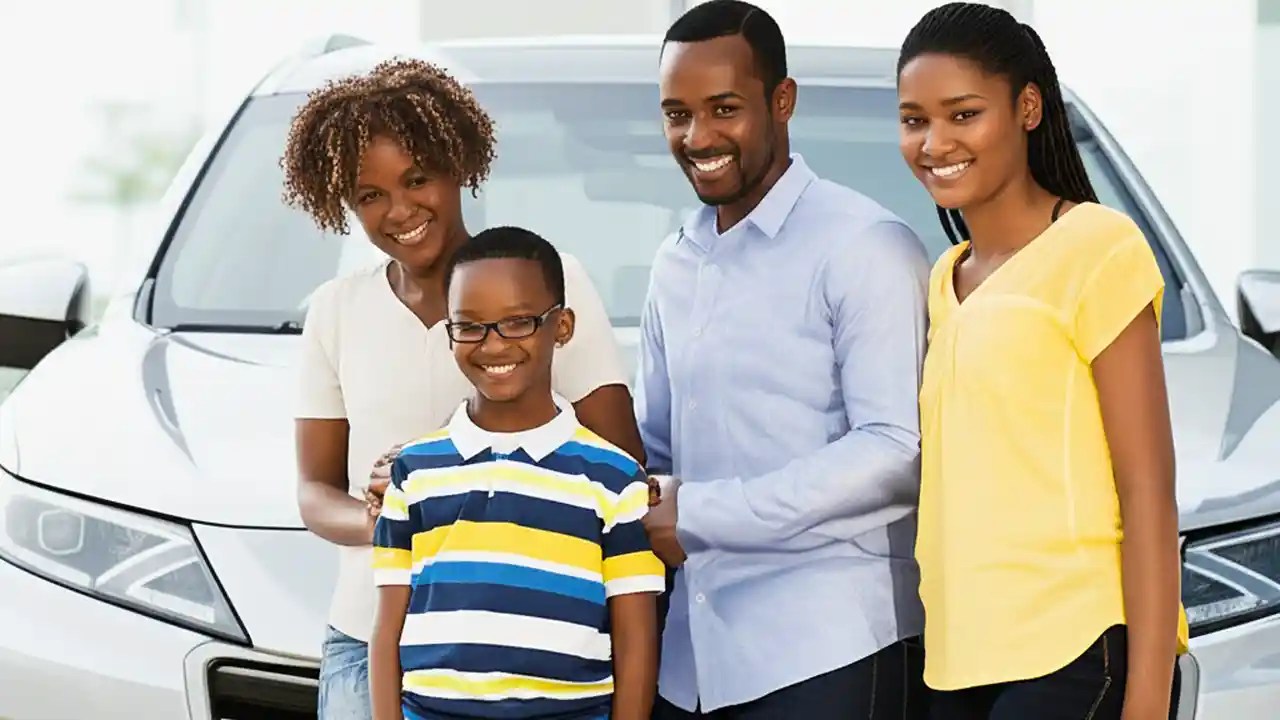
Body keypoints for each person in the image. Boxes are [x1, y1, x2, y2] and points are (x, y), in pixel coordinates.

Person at [282, 59, 646, 719]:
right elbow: (313, 492)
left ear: (459, 166)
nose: (399, 211)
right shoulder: (336, 310)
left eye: (417, 179)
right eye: (369, 196)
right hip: (370, 639)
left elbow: (623, 466)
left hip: (540, 653)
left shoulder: (547, 282)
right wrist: (386, 516)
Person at [637, 2, 933, 717]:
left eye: (724, 108)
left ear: (782, 100)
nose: (697, 136)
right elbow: (654, 448)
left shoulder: (866, 245)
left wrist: (705, 512)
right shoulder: (673, 263)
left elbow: (897, 450)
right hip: (689, 661)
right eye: (677, 113)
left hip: (828, 654)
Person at [895, 4, 1189, 719]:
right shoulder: (945, 277)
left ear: (1027, 107)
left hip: (1074, 646)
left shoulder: (1097, 246)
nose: (935, 143)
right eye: (914, 120)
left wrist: (1147, 697)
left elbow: (1148, 488)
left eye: (963, 115)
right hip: (959, 659)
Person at [368, 226, 665, 720]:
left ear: (562, 327)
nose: (494, 345)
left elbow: (636, 639)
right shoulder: (414, 472)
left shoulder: (614, 479)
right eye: (470, 325)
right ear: (450, 334)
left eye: (517, 322)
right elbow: (387, 630)